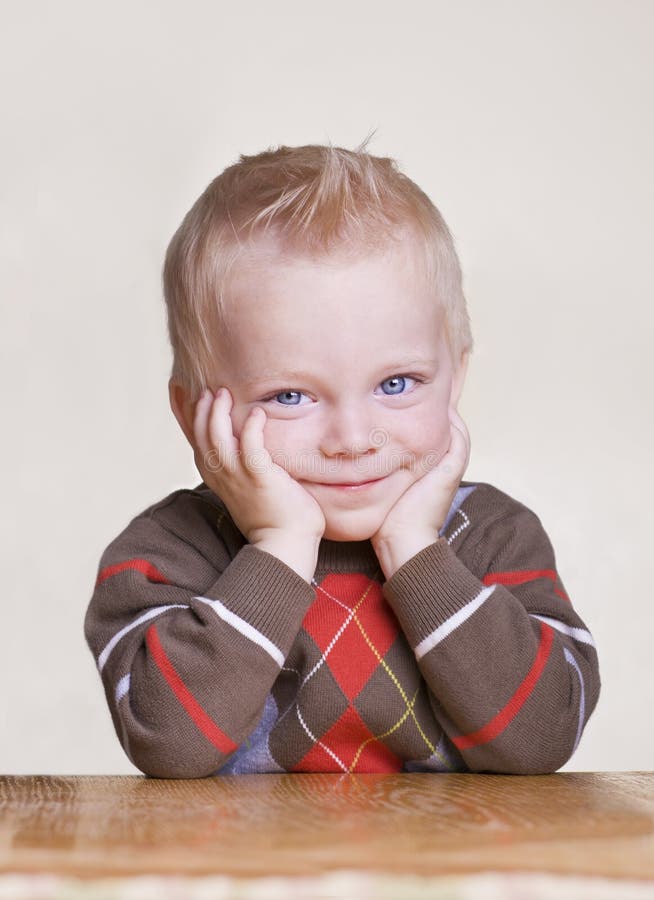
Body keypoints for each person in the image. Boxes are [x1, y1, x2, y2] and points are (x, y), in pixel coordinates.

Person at [84, 139, 600, 778]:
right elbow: (169, 744)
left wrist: (415, 551)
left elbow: (541, 739)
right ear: (195, 413)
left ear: (454, 377)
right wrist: (279, 544)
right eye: (291, 395)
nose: (352, 439)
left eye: (396, 383)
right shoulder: (167, 554)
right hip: (242, 878)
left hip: (443, 877)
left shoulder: (491, 537)